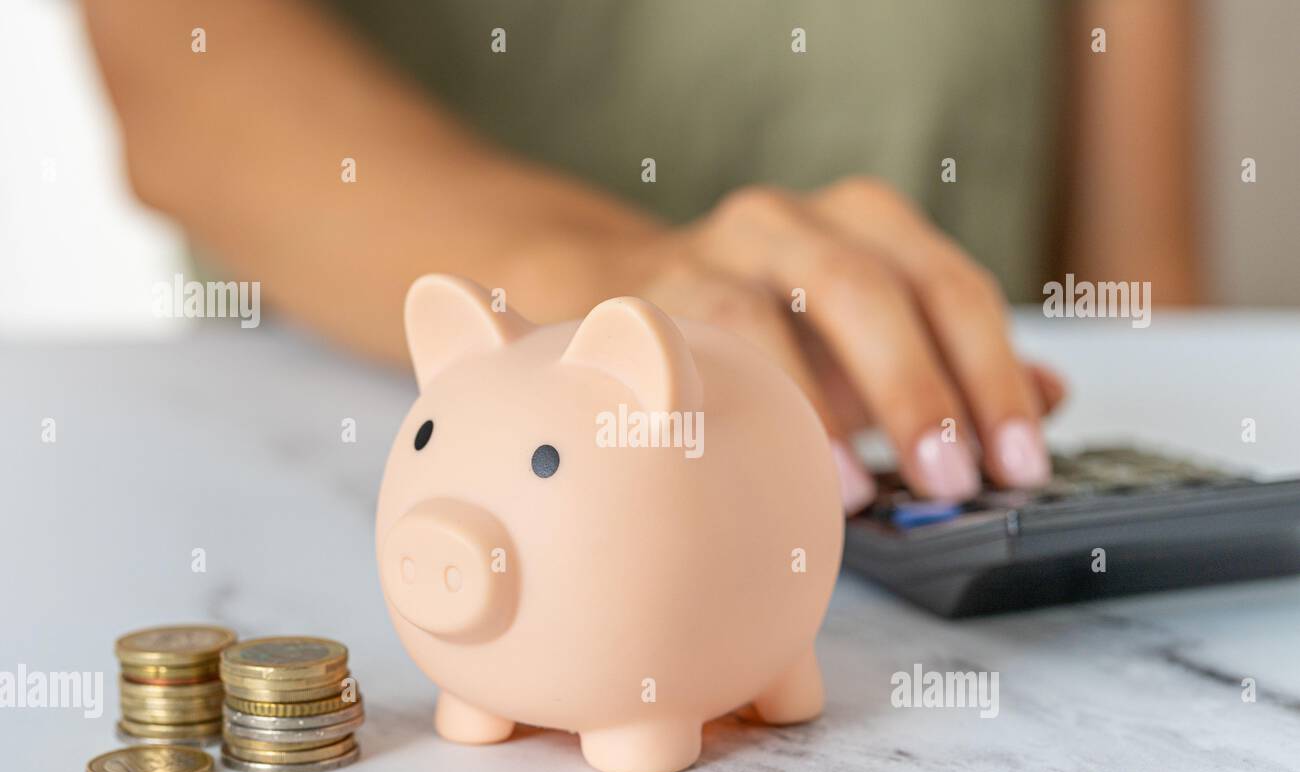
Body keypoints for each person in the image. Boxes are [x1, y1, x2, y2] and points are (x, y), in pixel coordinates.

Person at [81, 0, 1198, 511]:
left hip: (896, 471)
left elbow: (1136, 269)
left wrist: (1115, 506)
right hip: (304, 430)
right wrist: (601, 277)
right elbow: (175, 64)